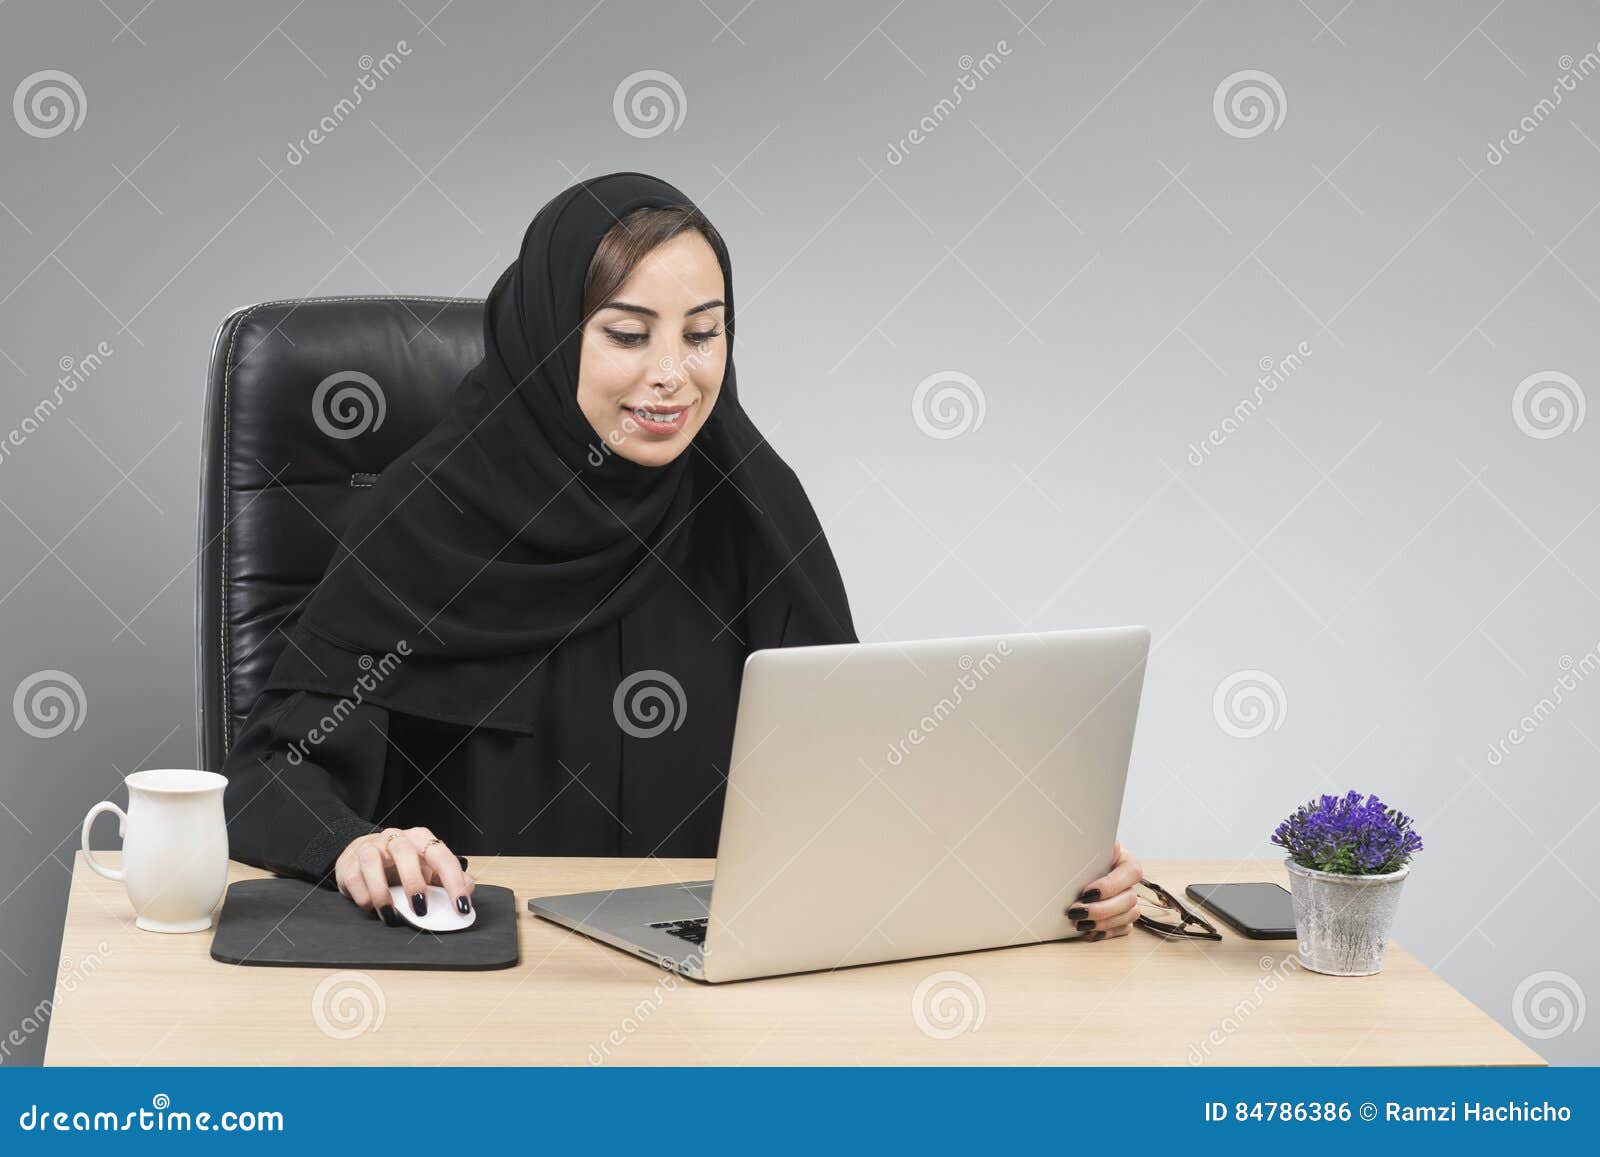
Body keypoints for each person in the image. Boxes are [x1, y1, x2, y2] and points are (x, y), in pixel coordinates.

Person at [221, 171, 1144, 939]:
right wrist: (356, 845)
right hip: (492, 979)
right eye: (628, 334)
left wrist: (1037, 859)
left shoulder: (752, 504)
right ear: (551, 339)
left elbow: (859, 775)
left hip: (715, 980)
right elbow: (273, 775)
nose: (674, 373)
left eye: (703, 334)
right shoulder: (429, 513)